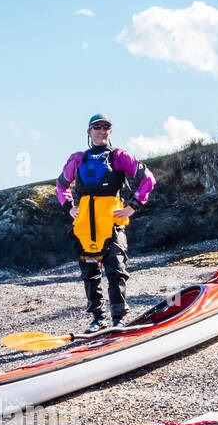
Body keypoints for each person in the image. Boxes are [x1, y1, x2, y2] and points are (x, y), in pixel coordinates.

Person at [56, 113, 155, 331]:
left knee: (115, 270)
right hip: (85, 226)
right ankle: (98, 319)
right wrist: (68, 207)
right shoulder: (77, 159)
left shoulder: (119, 156)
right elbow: (61, 185)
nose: (101, 131)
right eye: (97, 127)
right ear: (89, 132)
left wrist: (132, 207)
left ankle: (118, 318)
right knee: (90, 274)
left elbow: (148, 179)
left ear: (110, 131)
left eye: (106, 127)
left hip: (112, 224)